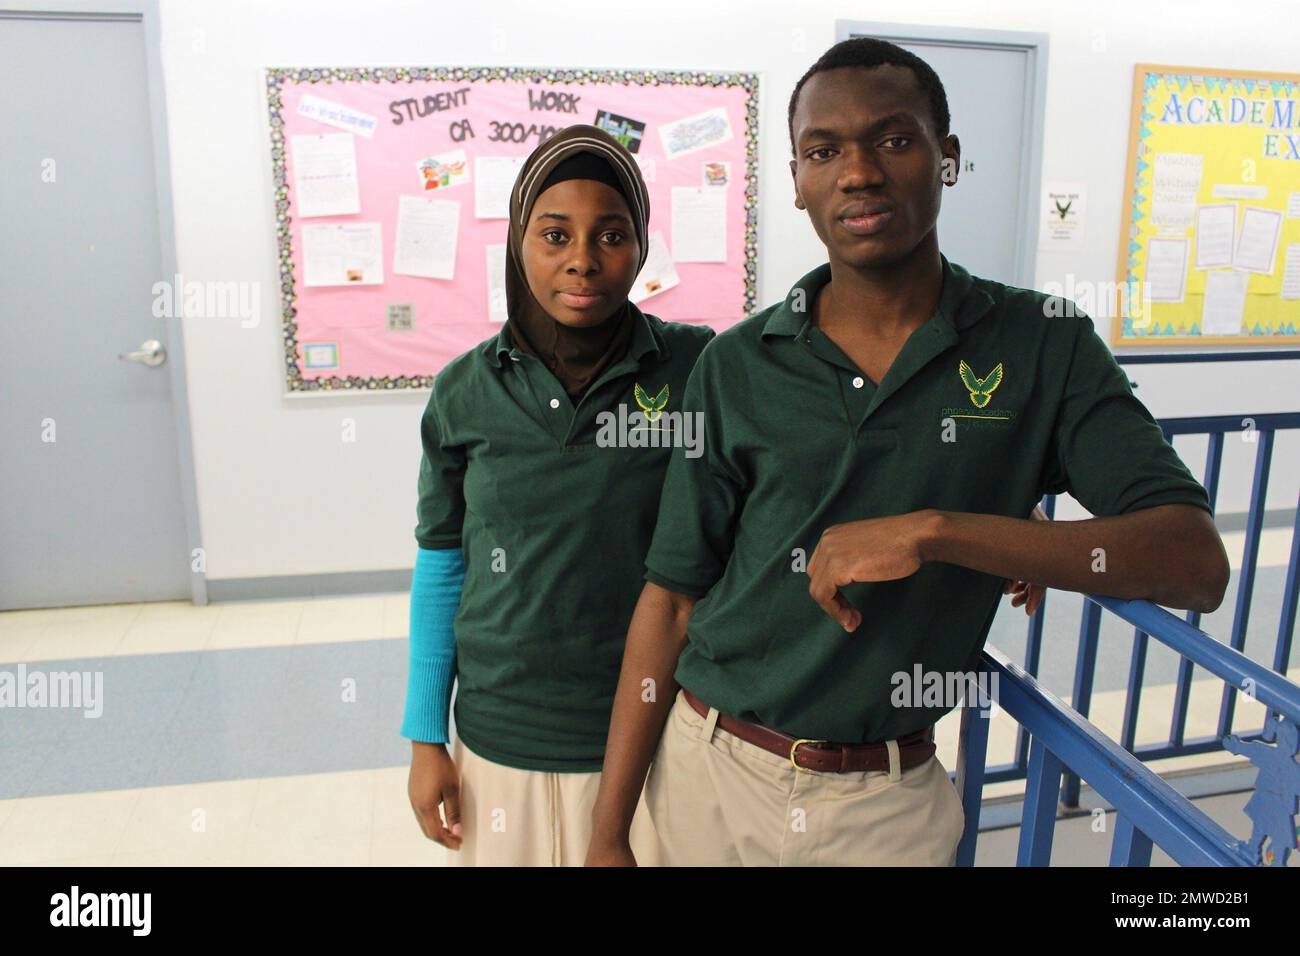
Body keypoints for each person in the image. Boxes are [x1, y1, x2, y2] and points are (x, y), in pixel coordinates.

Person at [586, 37, 1230, 867]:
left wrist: (939, 532)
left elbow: (1193, 563)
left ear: (947, 157)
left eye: (893, 140)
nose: (858, 172)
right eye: (824, 151)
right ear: (797, 181)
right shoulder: (739, 363)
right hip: (711, 772)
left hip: (886, 803)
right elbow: (671, 601)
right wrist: (607, 832)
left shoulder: (1042, 345)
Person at [401, 124, 714, 866]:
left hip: (650, 734)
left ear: (641, 247)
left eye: (611, 234)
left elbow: (800, 451)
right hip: (498, 737)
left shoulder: (696, 369)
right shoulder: (465, 392)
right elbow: (442, 567)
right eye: (554, 235)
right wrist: (424, 737)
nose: (582, 259)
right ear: (517, 242)